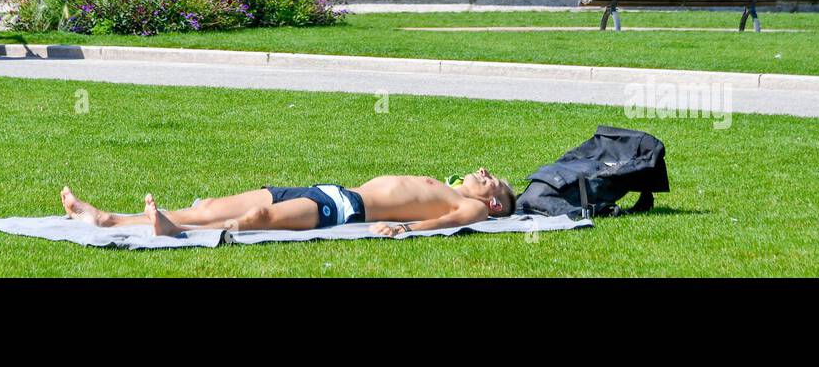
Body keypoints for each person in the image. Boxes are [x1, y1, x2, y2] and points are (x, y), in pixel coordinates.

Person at [59, 166, 516, 237]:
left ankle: (180, 232)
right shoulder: (448, 185)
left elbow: (454, 221)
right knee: (213, 203)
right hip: (324, 189)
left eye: (492, 180)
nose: (484, 173)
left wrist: (405, 229)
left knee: (256, 219)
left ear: (494, 205)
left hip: (344, 210)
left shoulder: (471, 207)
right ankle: (109, 218)